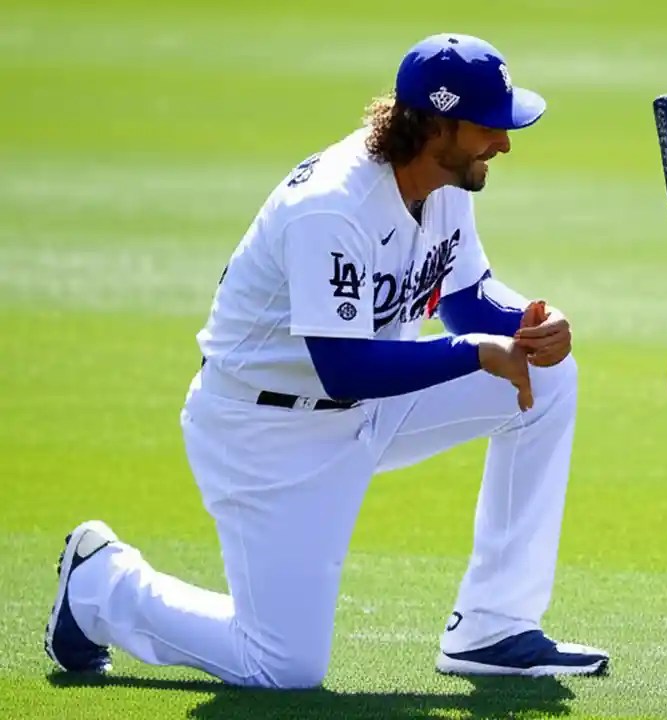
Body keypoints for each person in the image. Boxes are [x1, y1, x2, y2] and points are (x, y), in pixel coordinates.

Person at [44, 33, 609, 688]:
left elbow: (465, 300)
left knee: (545, 373)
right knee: (283, 667)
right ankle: (102, 585)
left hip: (374, 403)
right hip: (267, 434)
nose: (505, 143)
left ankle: (495, 626)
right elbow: (341, 366)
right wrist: (476, 351)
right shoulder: (332, 209)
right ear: (436, 125)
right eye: (490, 127)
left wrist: (530, 327)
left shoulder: (446, 182)